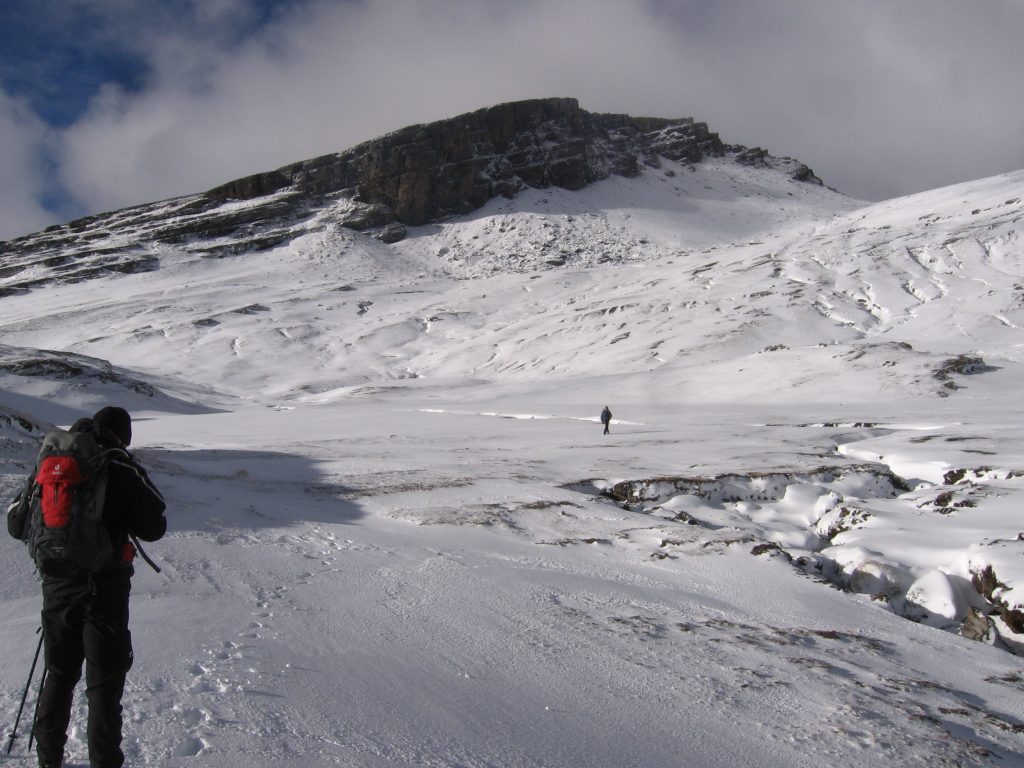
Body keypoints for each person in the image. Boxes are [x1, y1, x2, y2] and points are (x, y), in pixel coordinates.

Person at [22, 407, 166, 768]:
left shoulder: (49, 464)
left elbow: (15, 523)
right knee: (103, 686)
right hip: (105, 591)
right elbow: (154, 526)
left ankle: (48, 760)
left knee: (58, 675)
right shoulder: (119, 465)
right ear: (123, 435)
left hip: (56, 586)